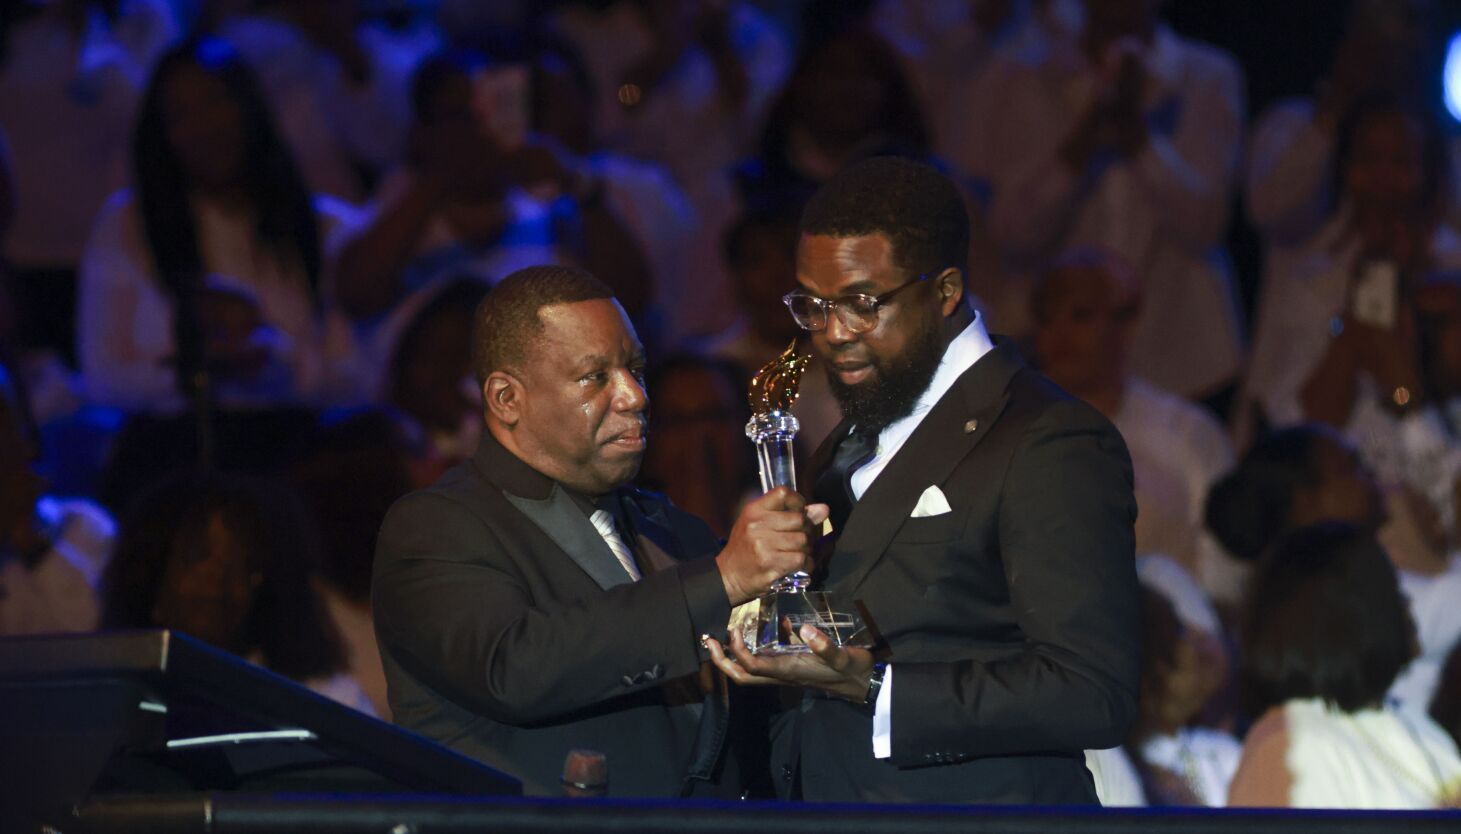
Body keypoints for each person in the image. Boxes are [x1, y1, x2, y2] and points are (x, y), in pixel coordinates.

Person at [705, 156, 1140, 803]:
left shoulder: (1047, 438)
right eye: (812, 305)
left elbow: (1092, 691)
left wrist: (877, 689)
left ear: (943, 292)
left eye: (861, 304)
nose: (832, 334)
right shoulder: (847, 440)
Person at [372, 264, 826, 797]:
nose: (635, 395)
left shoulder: (669, 526)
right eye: (595, 376)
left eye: (635, 368)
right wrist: (724, 579)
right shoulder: (435, 526)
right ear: (505, 399)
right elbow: (515, 667)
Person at [957, 0, 1246, 400]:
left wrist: (1139, 138)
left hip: (1185, 364)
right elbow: (1012, 236)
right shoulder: (1027, 79)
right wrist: (1083, 143)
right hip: (1064, 369)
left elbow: (1205, 224)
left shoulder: (1207, 77)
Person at [77, 36, 368, 413]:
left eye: (216, 101)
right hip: (175, 452)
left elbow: (357, 376)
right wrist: (198, 372)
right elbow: (103, 378)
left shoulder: (326, 226)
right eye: (181, 113)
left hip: (297, 446)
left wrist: (279, 364)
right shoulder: (125, 225)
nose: (206, 126)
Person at [1031, 247, 1237, 602]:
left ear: (1126, 325)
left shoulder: (1186, 431)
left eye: (1080, 316)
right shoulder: (1015, 430)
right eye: (1047, 319)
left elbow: (1225, 560)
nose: (1060, 335)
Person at [1226, 522, 1461, 809]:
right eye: (1391, 588)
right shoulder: (1295, 744)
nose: (1407, 601)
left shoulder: (1415, 724)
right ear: (1346, 614)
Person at [102, 469, 372, 713]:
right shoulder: (109, 701)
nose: (216, 578)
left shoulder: (327, 701)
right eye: (198, 555)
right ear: (151, 574)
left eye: (240, 560)